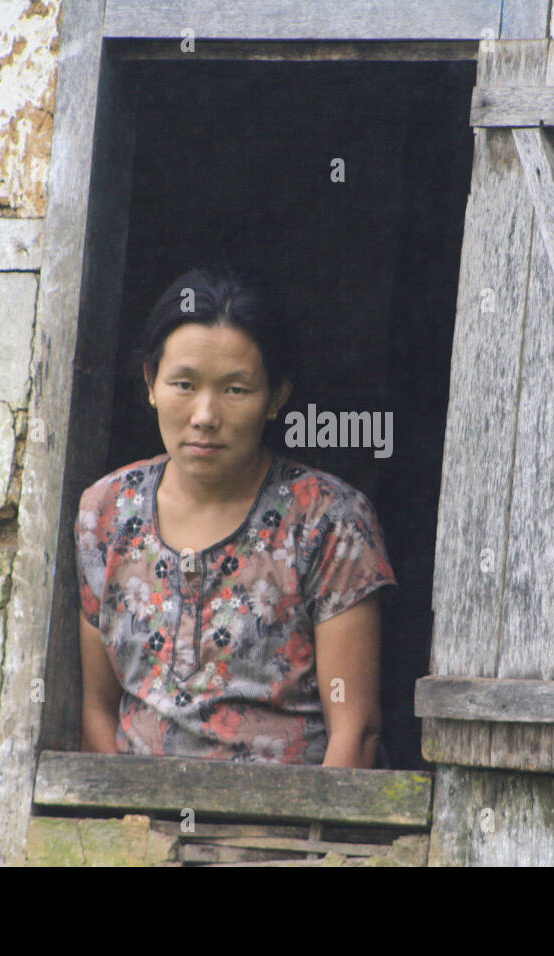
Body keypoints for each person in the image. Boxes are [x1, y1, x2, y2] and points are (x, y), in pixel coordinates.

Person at [74, 263, 397, 767]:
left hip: (282, 835)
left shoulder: (327, 521)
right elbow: (97, 708)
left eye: (235, 389)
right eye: (183, 384)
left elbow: (354, 731)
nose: (205, 414)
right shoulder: (106, 512)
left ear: (276, 398)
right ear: (150, 383)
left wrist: (314, 846)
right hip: (135, 831)